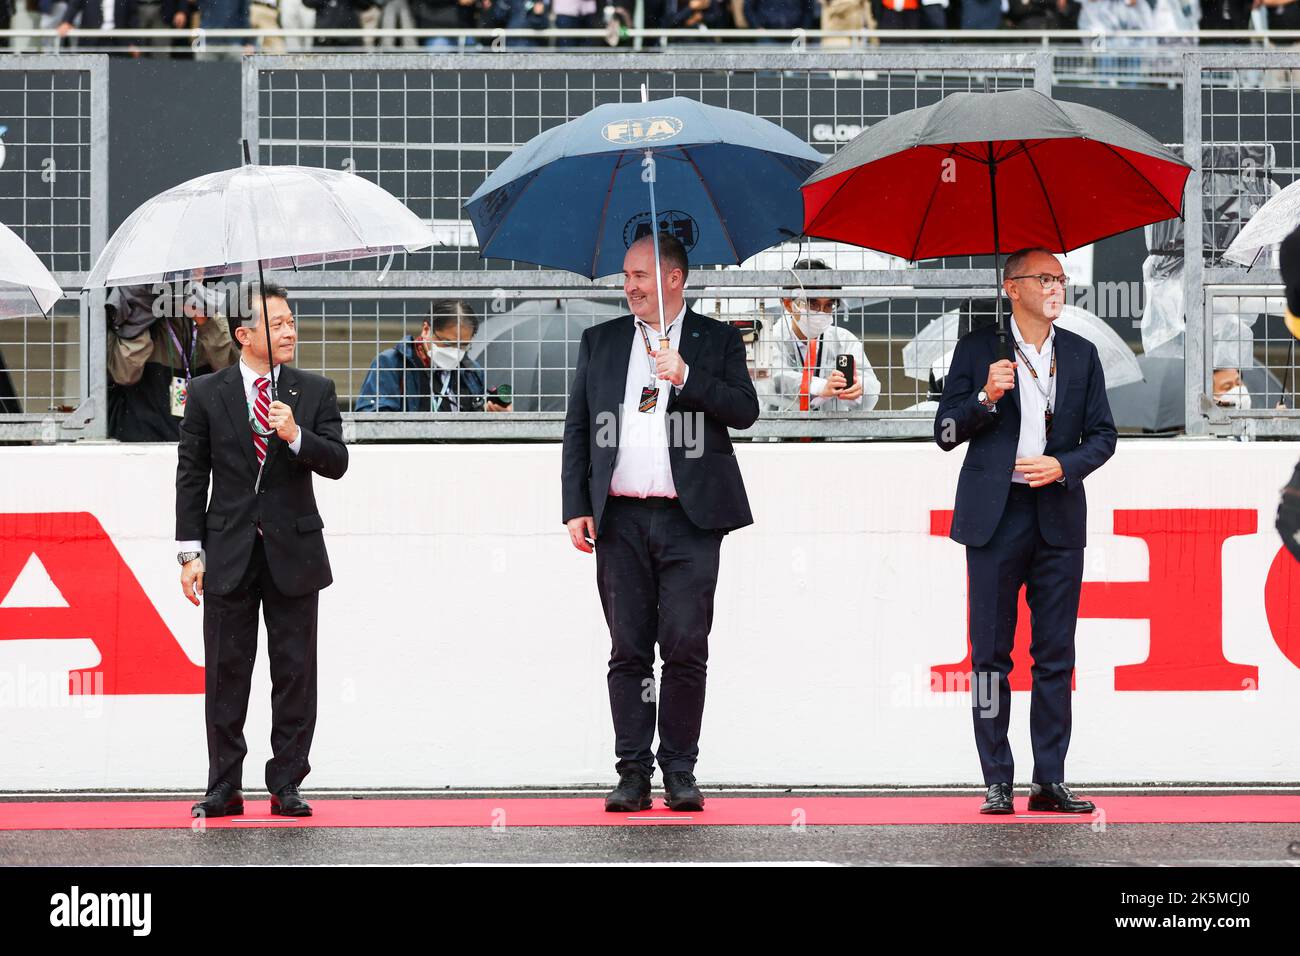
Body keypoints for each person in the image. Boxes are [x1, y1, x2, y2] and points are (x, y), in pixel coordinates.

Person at [562, 232, 759, 813]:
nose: (630, 287)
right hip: (619, 519)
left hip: (690, 521)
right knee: (627, 649)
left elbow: (745, 411)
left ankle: (679, 768)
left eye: (641, 276)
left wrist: (687, 376)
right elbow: (578, 427)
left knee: (685, 647)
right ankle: (631, 773)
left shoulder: (715, 340)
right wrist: (576, 504)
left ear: (674, 279)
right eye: (626, 277)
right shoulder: (601, 342)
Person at [934, 248, 1116, 815]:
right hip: (995, 515)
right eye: (1044, 279)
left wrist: (1065, 465)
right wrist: (985, 397)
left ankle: (1050, 778)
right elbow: (943, 432)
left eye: (1060, 279)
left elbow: (1104, 437)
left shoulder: (1082, 355)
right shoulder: (978, 350)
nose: (1056, 288)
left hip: (1057, 512)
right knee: (989, 655)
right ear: (1012, 288)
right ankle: (996, 779)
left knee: (1054, 653)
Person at [176, 281, 348, 819]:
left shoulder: (314, 391)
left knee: (294, 672)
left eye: (292, 321)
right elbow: (191, 476)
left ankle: (288, 782)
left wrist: (296, 435)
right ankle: (223, 785)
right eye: (277, 324)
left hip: (293, 553)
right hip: (226, 552)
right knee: (226, 672)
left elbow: (337, 461)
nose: (290, 330)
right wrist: (189, 553)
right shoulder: (207, 393)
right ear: (244, 334)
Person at [107, 281, 240, 442]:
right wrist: (141, 315)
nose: (194, 273)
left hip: (198, 442)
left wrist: (206, 322)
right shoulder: (135, 303)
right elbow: (124, 374)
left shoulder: (212, 304)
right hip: (142, 441)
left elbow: (233, 375)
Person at [759, 258, 881, 414]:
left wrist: (859, 387)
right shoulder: (769, 339)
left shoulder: (843, 339)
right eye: (812, 304)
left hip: (834, 434)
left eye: (829, 305)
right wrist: (819, 387)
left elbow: (871, 388)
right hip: (782, 434)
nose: (821, 312)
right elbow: (769, 384)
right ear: (789, 304)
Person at [354, 300, 509, 412]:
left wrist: (494, 418)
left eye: (463, 345)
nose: (455, 351)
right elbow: (371, 421)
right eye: (448, 343)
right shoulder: (391, 363)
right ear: (426, 329)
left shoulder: (472, 371)